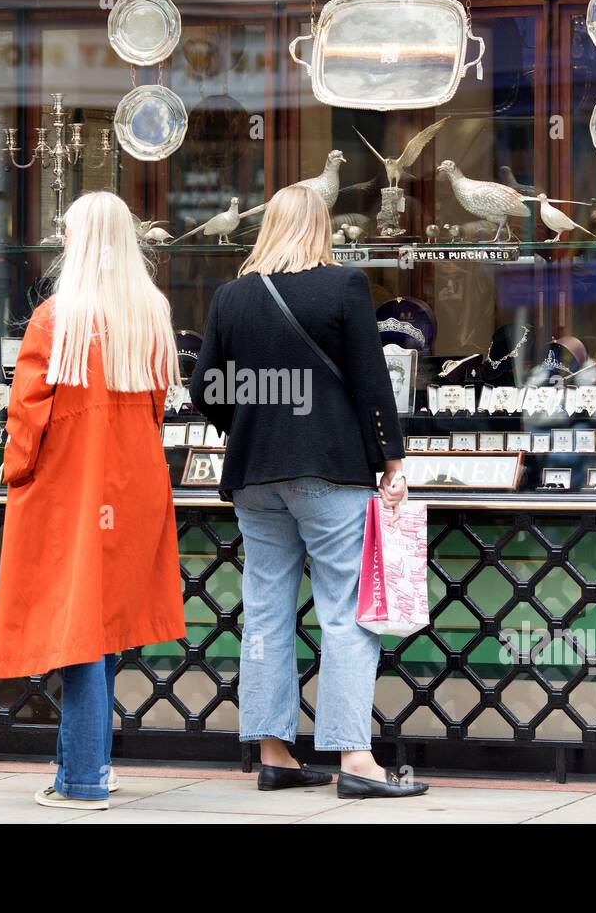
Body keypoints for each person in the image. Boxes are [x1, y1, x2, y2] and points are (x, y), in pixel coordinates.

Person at [190, 183, 428, 800]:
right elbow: (373, 380)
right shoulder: (343, 286)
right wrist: (392, 460)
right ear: (321, 227)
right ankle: (356, 758)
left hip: (254, 478)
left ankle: (275, 753)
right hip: (330, 471)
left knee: (265, 612)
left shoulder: (231, 296)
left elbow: (205, 389)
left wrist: (247, 426)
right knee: (346, 611)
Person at [0, 190, 187, 811]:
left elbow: (27, 413)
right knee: (101, 626)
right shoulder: (150, 311)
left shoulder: (57, 317)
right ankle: (90, 760)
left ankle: (82, 778)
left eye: (66, 233)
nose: (61, 242)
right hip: (134, 484)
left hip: (72, 488)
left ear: (81, 241)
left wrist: (14, 473)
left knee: (78, 629)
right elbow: (155, 408)